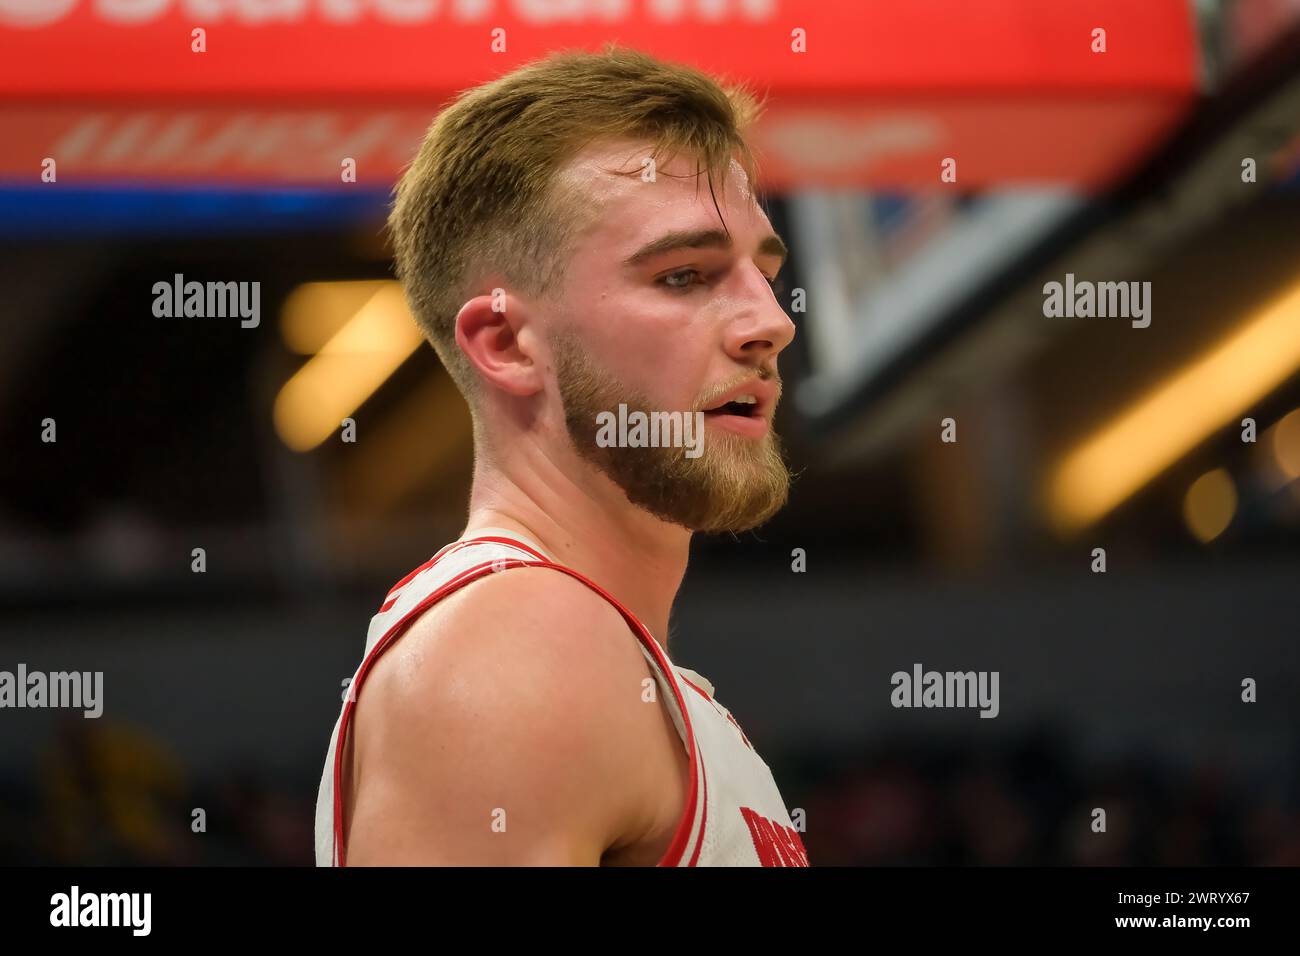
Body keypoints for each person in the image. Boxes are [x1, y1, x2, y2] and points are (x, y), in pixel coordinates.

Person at [314, 45, 808, 867]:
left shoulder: (605, 662)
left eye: (763, 271)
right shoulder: (520, 646)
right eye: (686, 275)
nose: (771, 322)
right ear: (506, 343)